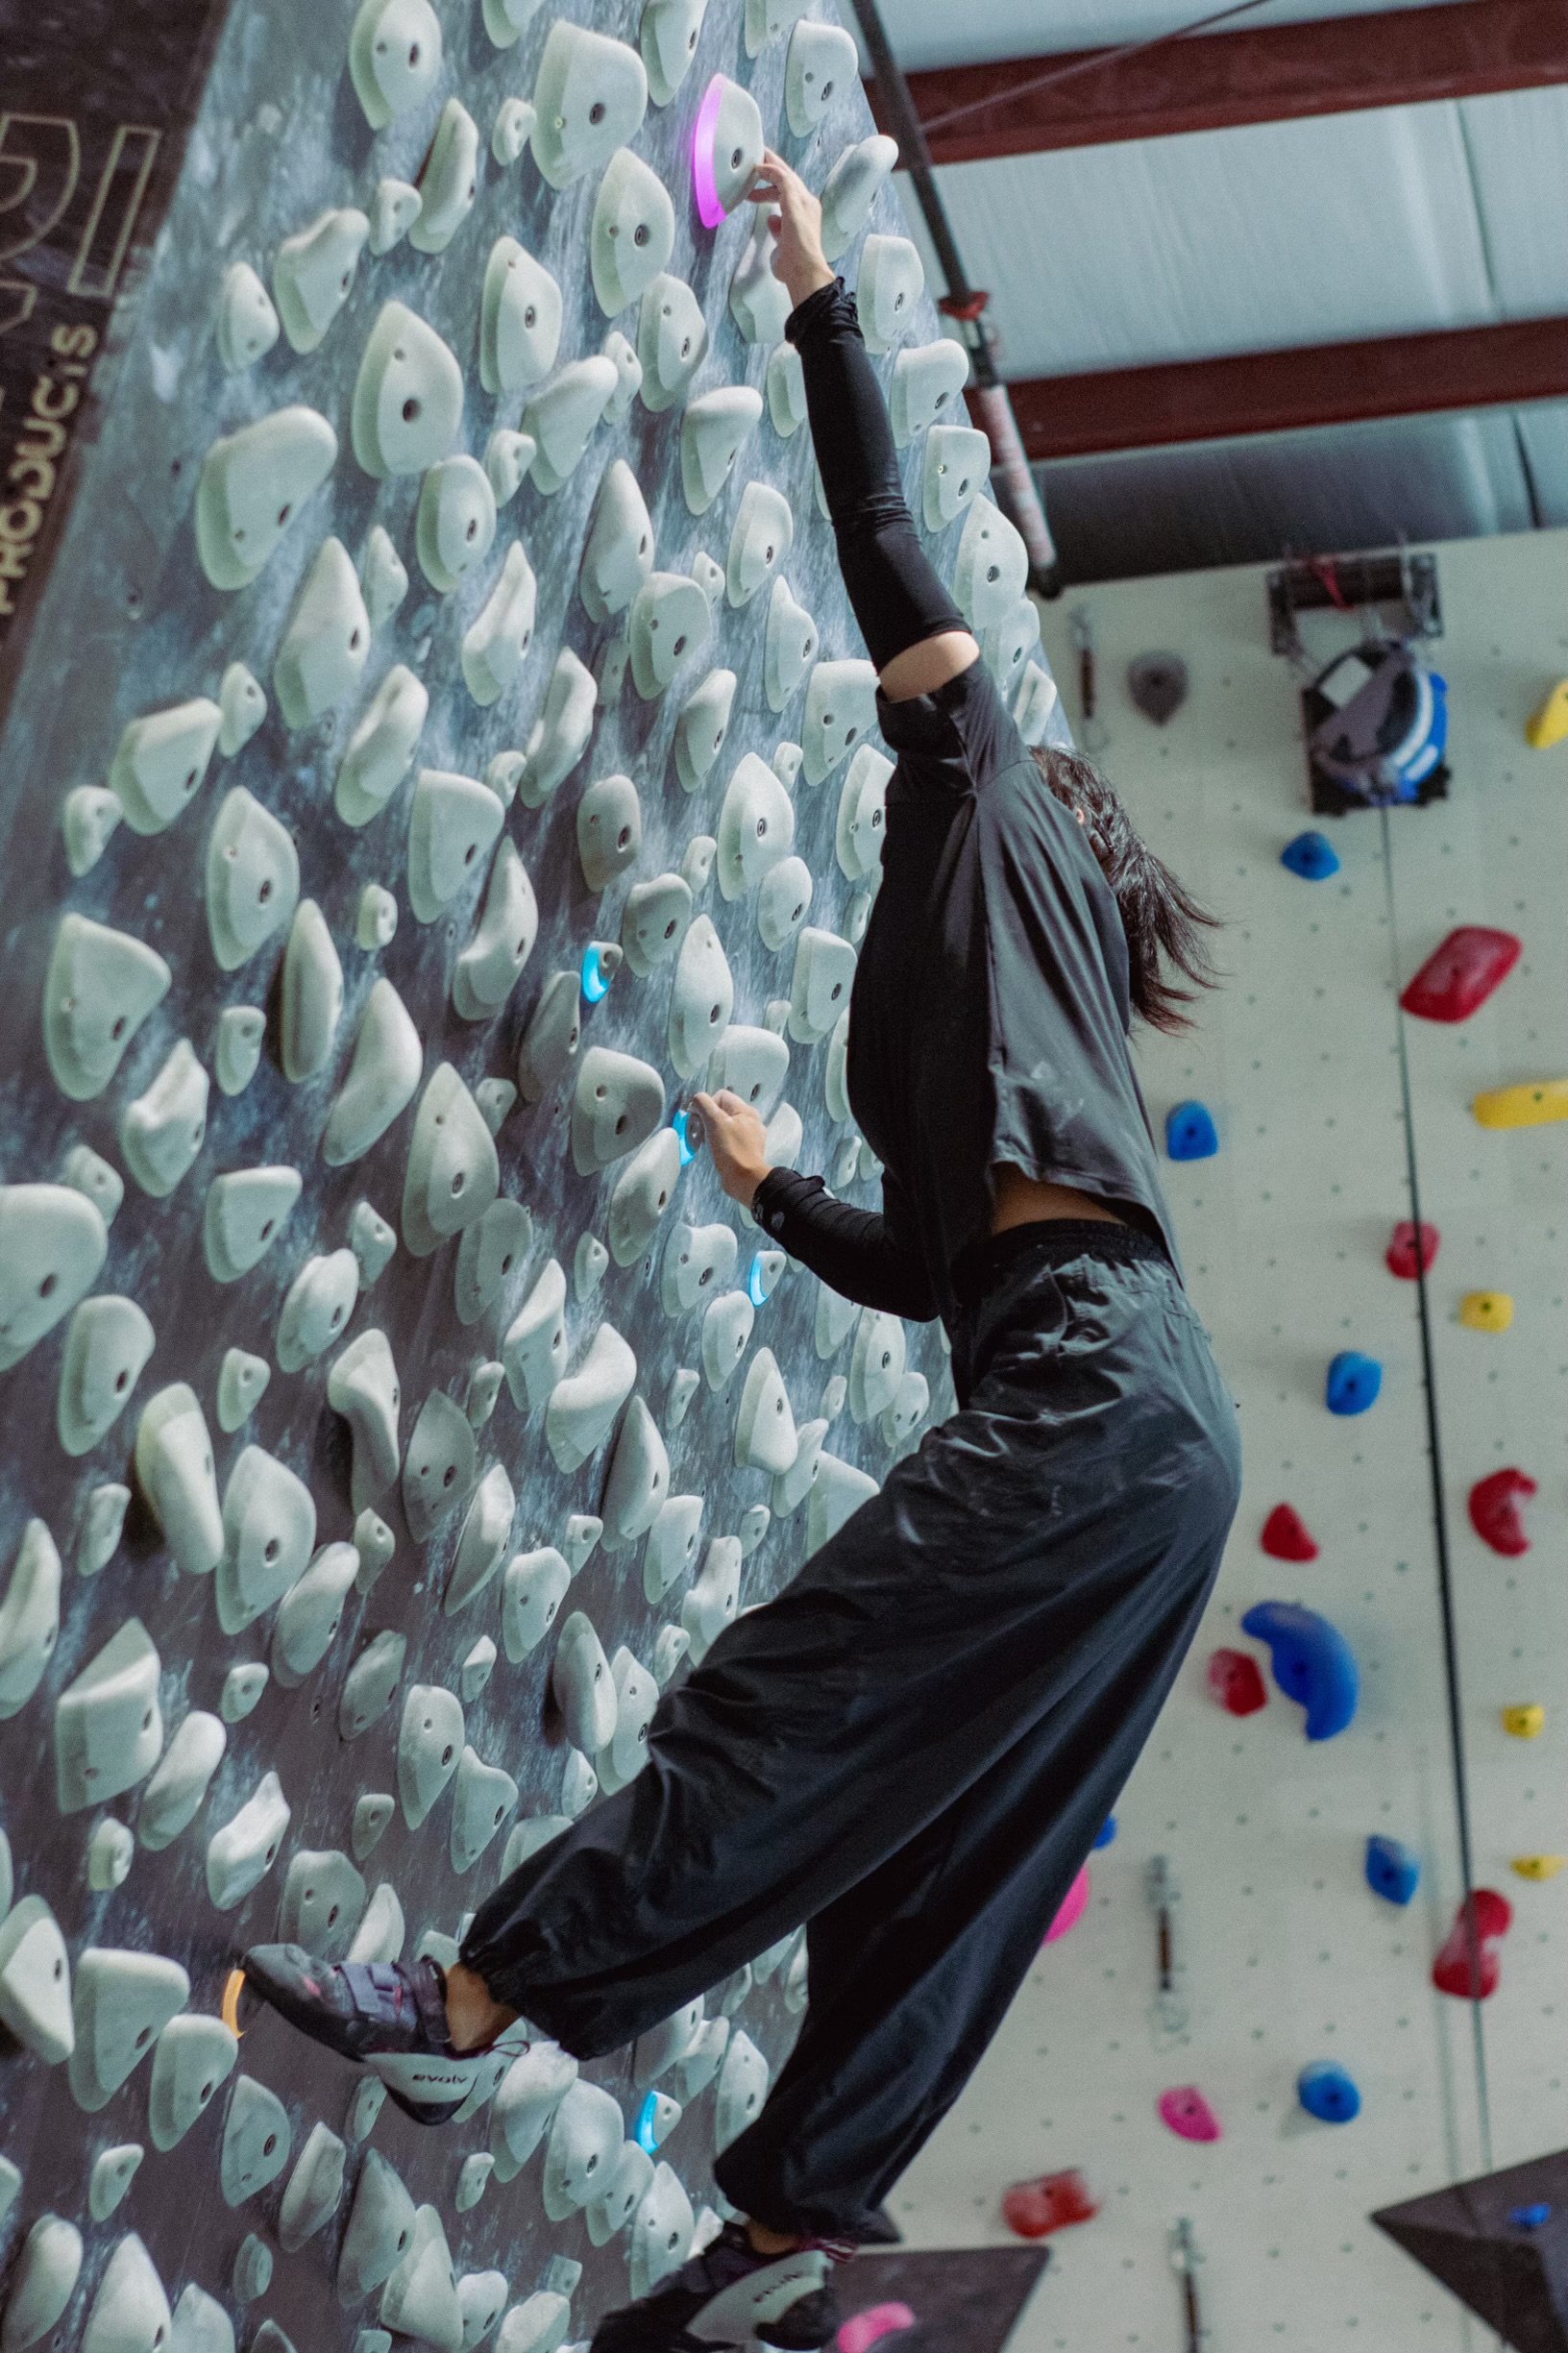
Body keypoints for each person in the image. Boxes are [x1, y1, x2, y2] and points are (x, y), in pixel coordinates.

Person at [234, 155, 1243, 2353]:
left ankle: (476, 1996)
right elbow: (941, 1274)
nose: (913, 720)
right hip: (1137, 1421)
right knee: (935, 1847)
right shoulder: (1002, 968)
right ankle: (796, 2224)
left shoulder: (989, 781)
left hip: (1102, 1392)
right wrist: (782, 1188)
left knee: (796, 1700)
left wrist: (814, 291)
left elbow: (891, 537)